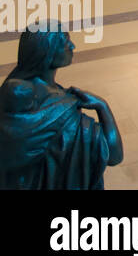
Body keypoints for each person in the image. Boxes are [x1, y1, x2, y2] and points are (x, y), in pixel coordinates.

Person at [0, 26, 125, 188]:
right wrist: (103, 107)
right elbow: (114, 155)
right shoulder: (20, 94)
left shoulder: (16, 88)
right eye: (65, 42)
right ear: (47, 52)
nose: (72, 46)